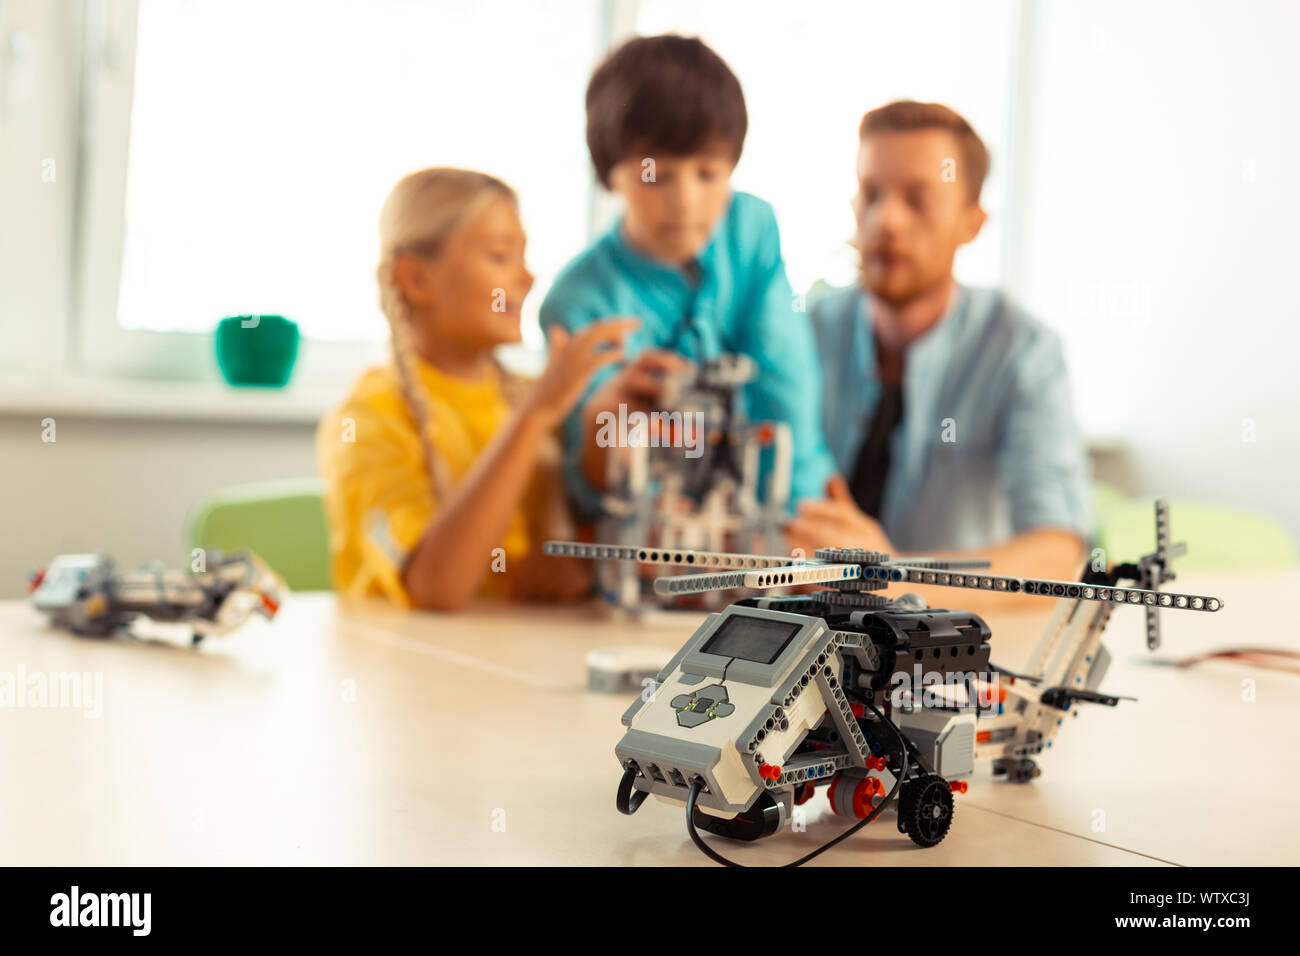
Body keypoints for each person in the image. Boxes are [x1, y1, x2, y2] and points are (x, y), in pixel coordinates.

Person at [788, 102, 1091, 610]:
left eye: (919, 199)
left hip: (949, 663)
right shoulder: (807, 330)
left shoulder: (1023, 350)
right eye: (871, 194)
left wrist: (892, 580)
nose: (887, 221)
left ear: (972, 222)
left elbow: (1057, 557)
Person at [540, 34, 835, 519]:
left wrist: (800, 518)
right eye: (657, 175)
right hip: (652, 540)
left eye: (707, 173)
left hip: (776, 522)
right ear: (609, 170)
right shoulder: (578, 301)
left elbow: (786, 389)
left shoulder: (752, 231)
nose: (686, 202)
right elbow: (592, 468)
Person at [317, 167, 635, 611]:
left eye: (523, 257)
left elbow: (562, 555)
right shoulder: (367, 419)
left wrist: (605, 420)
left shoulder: (530, 397)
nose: (527, 278)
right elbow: (435, 587)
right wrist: (536, 416)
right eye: (501, 256)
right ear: (416, 279)